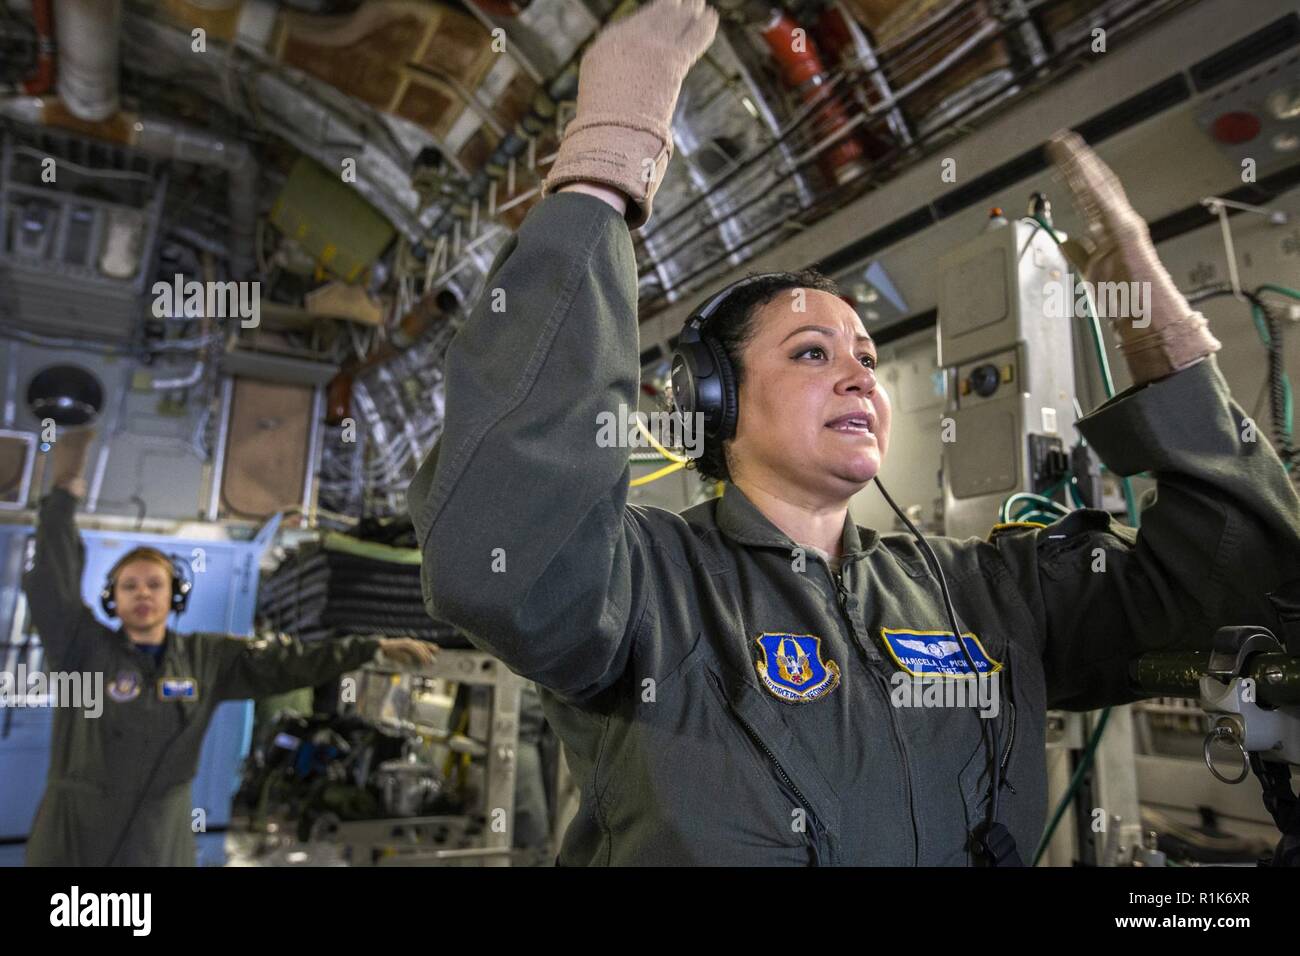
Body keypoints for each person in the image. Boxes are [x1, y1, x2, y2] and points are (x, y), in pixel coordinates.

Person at [407, 0, 1300, 864]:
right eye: (808, 352)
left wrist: (1168, 353)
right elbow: (502, 552)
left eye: (868, 357)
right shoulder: (644, 584)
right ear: (711, 399)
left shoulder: (985, 594)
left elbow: (1237, 596)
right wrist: (606, 160)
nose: (858, 376)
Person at [23, 426, 436, 866]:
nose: (143, 594)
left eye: (154, 584)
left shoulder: (207, 658)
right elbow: (53, 587)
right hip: (77, 836)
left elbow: (286, 662)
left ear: (173, 597)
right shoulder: (82, 650)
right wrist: (64, 492)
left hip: (158, 836)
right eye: (130, 586)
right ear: (113, 598)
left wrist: (368, 648)